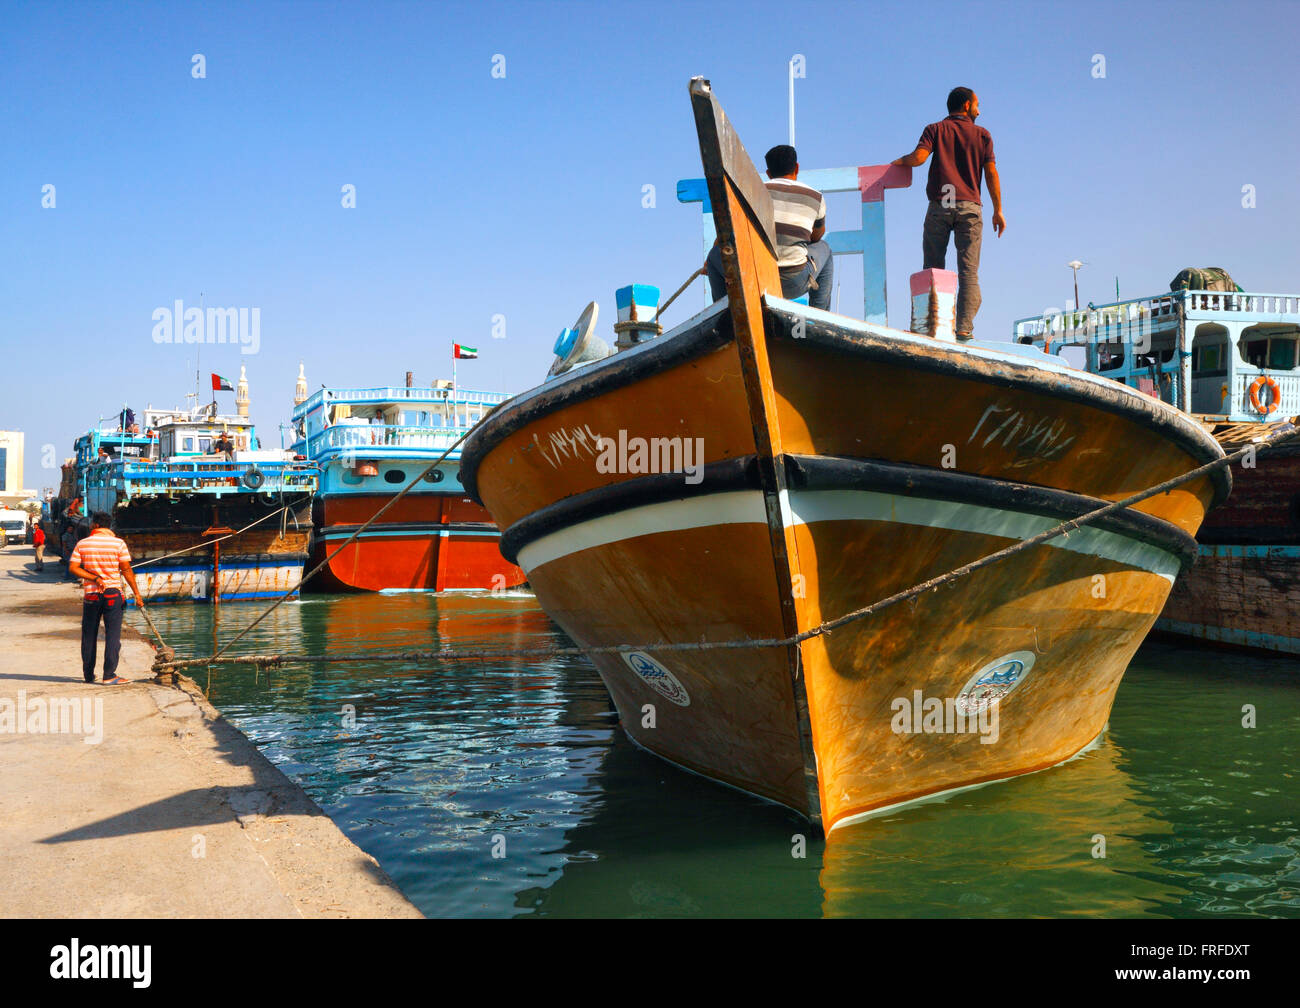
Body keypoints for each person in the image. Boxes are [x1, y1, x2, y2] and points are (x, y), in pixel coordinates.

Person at [892, 87, 1005, 340]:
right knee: (968, 272)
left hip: (941, 204)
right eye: (977, 104)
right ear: (966, 105)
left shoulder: (935, 129)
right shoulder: (983, 135)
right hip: (970, 208)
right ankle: (963, 329)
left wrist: (899, 161)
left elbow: (919, 158)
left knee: (933, 267)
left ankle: (931, 327)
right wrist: (998, 210)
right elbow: (991, 174)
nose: (979, 109)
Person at [705, 144, 833, 310]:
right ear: (797, 168)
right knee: (825, 249)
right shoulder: (816, 197)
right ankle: (819, 315)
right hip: (794, 281)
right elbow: (816, 237)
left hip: (755, 279)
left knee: (715, 254)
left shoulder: (752, 192)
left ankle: (725, 314)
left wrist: (708, 264)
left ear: (768, 173)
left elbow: (728, 234)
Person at [67, 512, 140, 685]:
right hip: (113, 594)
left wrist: (94, 578)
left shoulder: (82, 544)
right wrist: (137, 594)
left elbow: (73, 568)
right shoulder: (118, 544)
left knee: (89, 635)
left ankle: (89, 675)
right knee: (113, 635)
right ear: (109, 526)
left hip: (91, 594)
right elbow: (127, 570)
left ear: (95, 525)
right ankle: (109, 675)